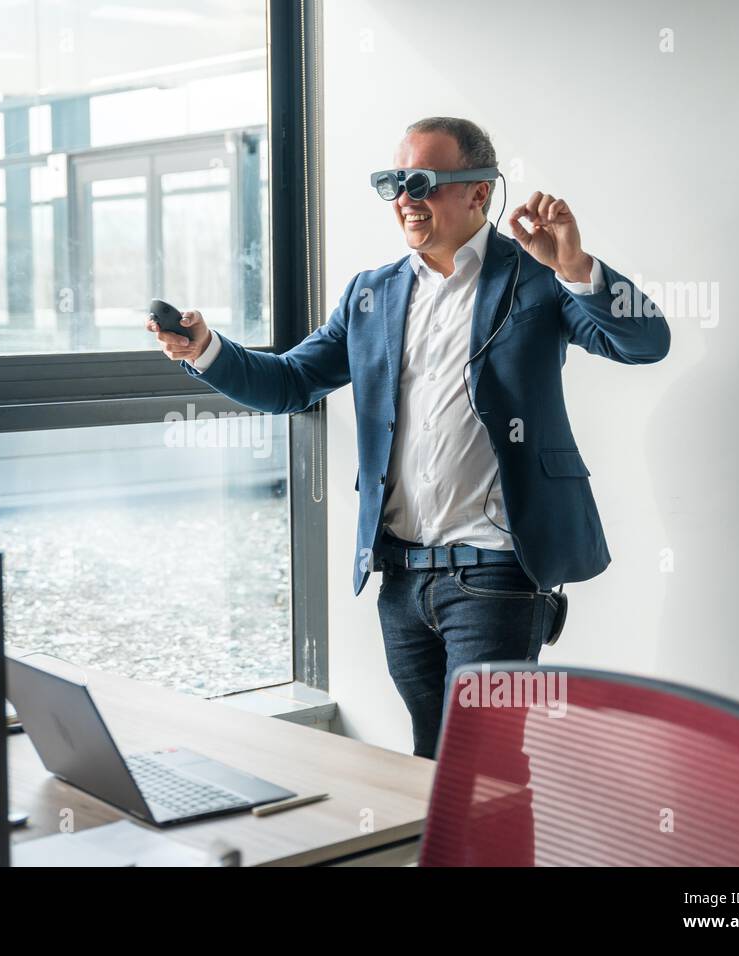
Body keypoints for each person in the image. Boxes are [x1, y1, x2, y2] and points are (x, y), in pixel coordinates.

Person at [147, 117, 669, 757]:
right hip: (400, 577)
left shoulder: (536, 277)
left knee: (484, 768)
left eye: (421, 182)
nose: (404, 198)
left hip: (498, 572)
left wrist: (577, 266)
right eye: (393, 182)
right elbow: (289, 383)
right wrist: (205, 350)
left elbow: (645, 343)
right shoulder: (373, 294)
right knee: (431, 770)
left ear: (479, 192)